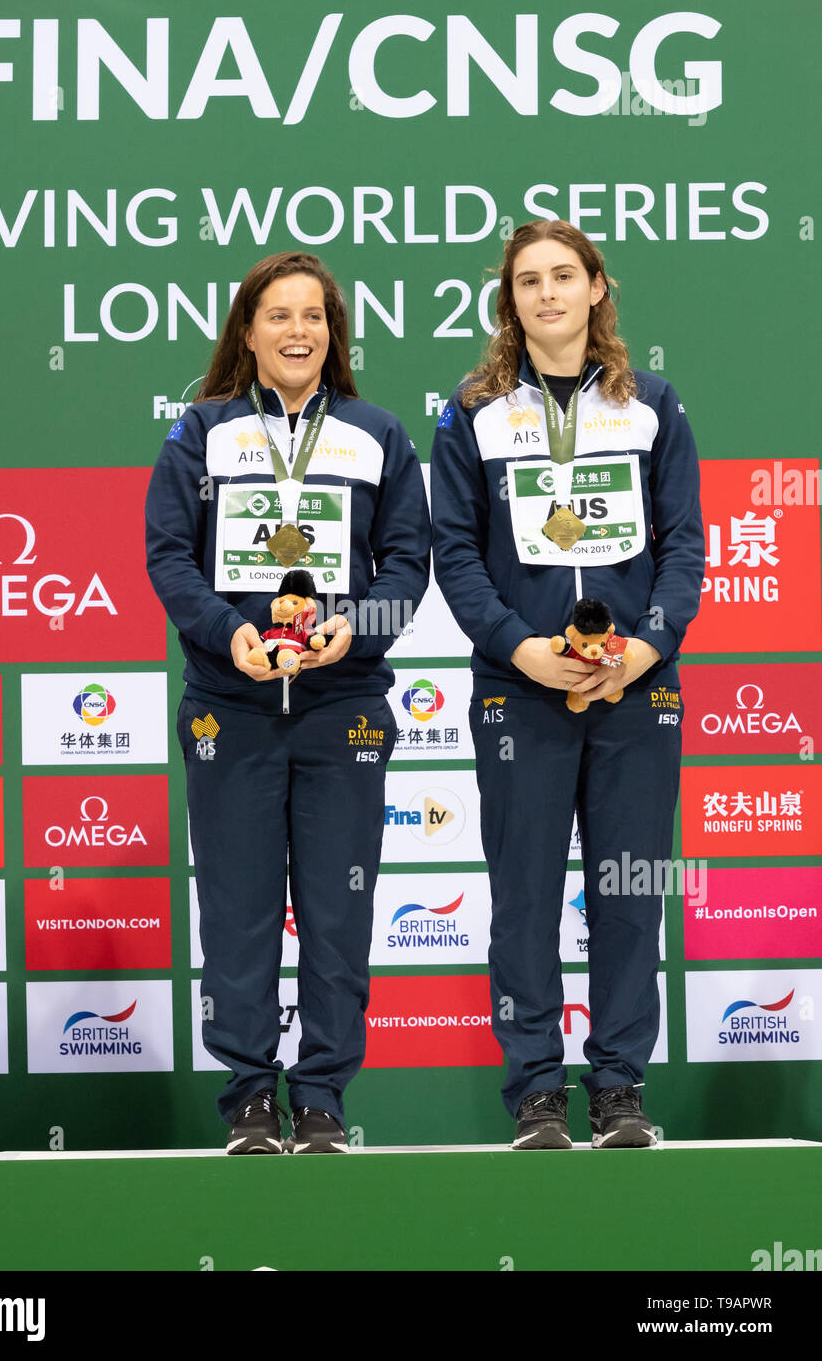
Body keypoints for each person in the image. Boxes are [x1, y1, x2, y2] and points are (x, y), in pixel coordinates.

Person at [146, 252, 430, 1154]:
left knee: (339, 914)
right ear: (248, 330)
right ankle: (249, 1100)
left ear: (334, 333)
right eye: (278, 316)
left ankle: (321, 1100)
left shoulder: (378, 431)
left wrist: (359, 628)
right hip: (230, 707)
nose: (298, 331)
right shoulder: (201, 431)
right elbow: (168, 557)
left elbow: (410, 560)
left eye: (313, 316)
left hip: (341, 705)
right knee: (237, 909)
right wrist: (225, 631)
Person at [430, 220, 704, 1149]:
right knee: (524, 896)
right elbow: (456, 555)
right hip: (522, 693)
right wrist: (519, 649)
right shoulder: (473, 409)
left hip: (637, 691)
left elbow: (686, 548)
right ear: (508, 301)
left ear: (597, 287)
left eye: (562, 276)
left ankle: (620, 1087)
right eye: (526, 281)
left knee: (630, 895)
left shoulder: (655, 405)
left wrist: (647, 649)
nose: (545, 294)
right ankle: (539, 1090)